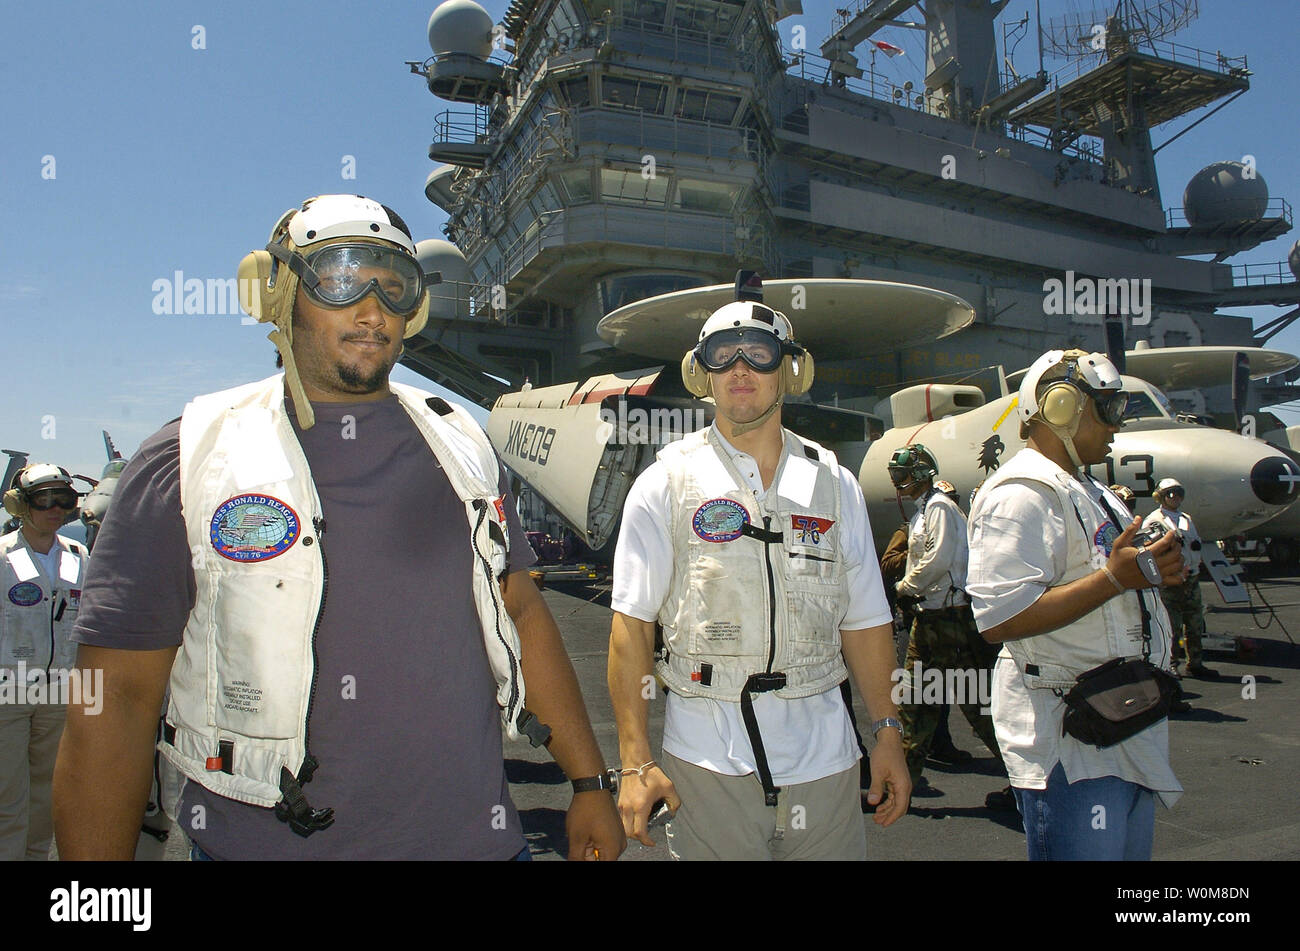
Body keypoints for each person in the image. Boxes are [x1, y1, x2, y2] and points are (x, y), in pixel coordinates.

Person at [53, 194, 625, 861]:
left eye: (394, 283)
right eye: (341, 275)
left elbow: (521, 610)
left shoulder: (463, 444)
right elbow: (115, 702)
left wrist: (588, 782)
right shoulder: (190, 459)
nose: (373, 306)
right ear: (277, 292)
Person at [607, 296, 910, 860]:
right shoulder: (667, 483)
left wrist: (888, 731)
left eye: (759, 352)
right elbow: (630, 628)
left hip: (826, 762)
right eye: (722, 354)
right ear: (702, 372)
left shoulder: (833, 483)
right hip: (708, 763)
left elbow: (866, 621)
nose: (739, 368)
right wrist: (635, 761)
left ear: (790, 369)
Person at [967, 349, 1185, 861]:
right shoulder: (1021, 493)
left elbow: (1102, 579)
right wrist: (1114, 578)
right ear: (1061, 406)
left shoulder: (1088, 490)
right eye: (1107, 409)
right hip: (1071, 742)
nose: (1116, 425)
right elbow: (1000, 618)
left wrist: (1145, 573)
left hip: (1123, 724)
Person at [887, 445, 1009, 807]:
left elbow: (937, 559)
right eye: (896, 477)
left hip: (949, 620)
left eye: (904, 476)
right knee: (913, 701)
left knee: (976, 703)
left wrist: (905, 588)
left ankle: (1030, 781)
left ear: (923, 474)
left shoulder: (940, 508)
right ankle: (901, 787)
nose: (899, 484)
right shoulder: (923, 512)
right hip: (928, 619)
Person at [1, 464, 88, 859]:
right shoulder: (3, 558)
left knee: (46, 797)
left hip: (60, 691)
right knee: (7, 798)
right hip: (8, 691)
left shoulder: (78, 556)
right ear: (21, 506)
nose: (56, 510)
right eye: (44, 501)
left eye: (64, 501)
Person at [1144, 478, 1216, 678]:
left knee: (1194, 623)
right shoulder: (1154, 520)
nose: (1174, 497)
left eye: (1177, 493)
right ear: (1160, 496)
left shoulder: (1186, 519)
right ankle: (1171, 664)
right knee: (1172, 626)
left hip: (1191, 578)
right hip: (1171, 580)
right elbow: (1149, 548)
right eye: (1169, 493)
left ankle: (1196, 662)